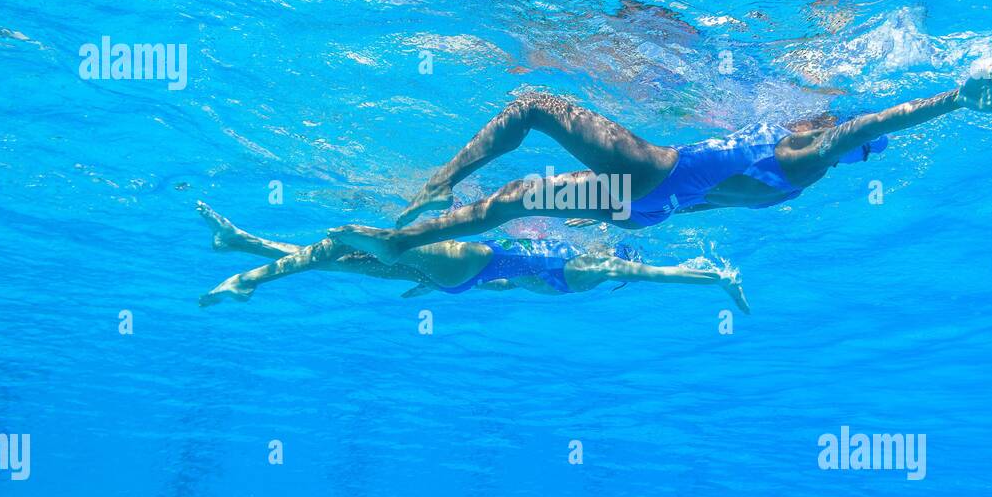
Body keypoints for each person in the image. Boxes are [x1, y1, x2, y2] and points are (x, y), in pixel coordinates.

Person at [326, 74, 992, 263]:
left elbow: (877, 124)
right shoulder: (791, 170)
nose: (818, 113)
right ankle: (398, 243)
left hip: (651, 178)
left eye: (827, 119)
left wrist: (955, 99)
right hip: (650, 207)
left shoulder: (808, 156)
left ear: (830, 135)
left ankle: (440, 180)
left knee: (536, 105)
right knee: (514, 198)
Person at [195, 203, 749, 312]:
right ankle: (243, 245)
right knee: (341, 260)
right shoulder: (570, 278)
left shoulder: (592, 268)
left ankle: (247, 278)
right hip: (463, 272)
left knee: (343, 243)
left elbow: (658, 272)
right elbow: (507, 283)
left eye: (608, 246)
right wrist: (435, 284)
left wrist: (717, 279)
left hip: (468, 260)